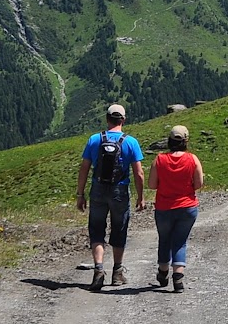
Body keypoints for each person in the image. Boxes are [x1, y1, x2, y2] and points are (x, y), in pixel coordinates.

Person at [76, 103, 146, 291]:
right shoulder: (131, 142)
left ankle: (99, 269)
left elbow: (84, 169)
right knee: (119, 229)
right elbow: (139, 173)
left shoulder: (94, 140)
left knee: (97, 229)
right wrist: (141, 196)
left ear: (107, 119)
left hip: (98, 190)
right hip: (120, 191)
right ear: (123, 120)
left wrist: (80, 194)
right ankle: (117, 272)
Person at [147, 124, 204, 292]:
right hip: (187, 207)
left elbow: (152, 185)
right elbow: (198, 184)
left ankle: (163, 272)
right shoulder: (193, 159)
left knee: (164, 239)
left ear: (169, 141)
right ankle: (178, 278)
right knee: (180, 241)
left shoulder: (159, 159)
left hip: (164, 207)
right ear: (186, 141)